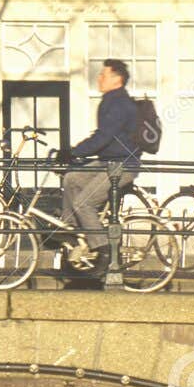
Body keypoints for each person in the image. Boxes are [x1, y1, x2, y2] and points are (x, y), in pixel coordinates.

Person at [60, 58, 140, 273]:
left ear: (117, 79)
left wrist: (73, 152)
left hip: (122, 165)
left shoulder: (120, 104)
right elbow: (102, 136)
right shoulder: (111, 100)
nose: (99, 78)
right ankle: (74, 231)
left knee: (83, 202)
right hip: (108, 161)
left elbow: (105, 136)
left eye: (103, 75)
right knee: (71, 178)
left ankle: (105, 251)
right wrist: (73, 154)